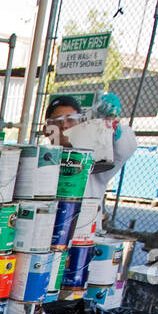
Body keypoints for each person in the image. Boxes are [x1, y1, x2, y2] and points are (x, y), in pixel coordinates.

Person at [44, 93, 138, 233]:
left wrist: (111, 125)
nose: (63, 125)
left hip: (82, 238)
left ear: (81, 123)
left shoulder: (94, 160)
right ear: (46, 130)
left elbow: (125, 149)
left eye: (70, 119)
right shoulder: (39, 160)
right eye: (57, 121)